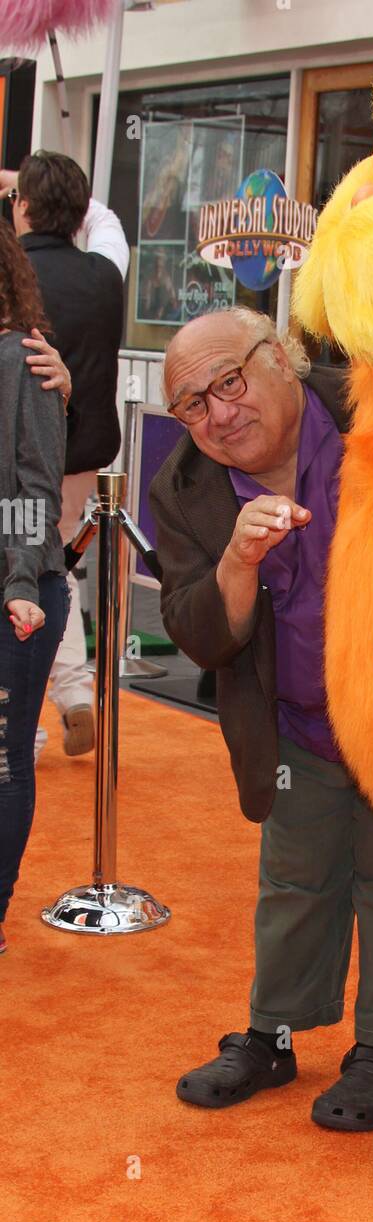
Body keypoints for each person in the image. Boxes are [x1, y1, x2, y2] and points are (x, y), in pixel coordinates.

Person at [149, 306, 373, 1131]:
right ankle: (272, 1036)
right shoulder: (184, 486)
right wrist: (236, 563)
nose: (218, 415)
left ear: (282, 359)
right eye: (192, 404)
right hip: (292, 725)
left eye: (229, 382)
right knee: (293, 882)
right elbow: (194, 629)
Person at [0, 152, 129, 757]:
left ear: (22, 205)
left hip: (20, 457)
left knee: (28, 563)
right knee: (53, 562)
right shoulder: (107, 271)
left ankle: (30, 710)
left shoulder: (10, 274)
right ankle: (74, 690)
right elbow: (107, 223)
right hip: (83, 454)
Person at [0, 218, 69, 955]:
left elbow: (34, 489)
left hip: (17, 593)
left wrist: (18, 577)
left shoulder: (25, 362)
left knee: (3, 757)